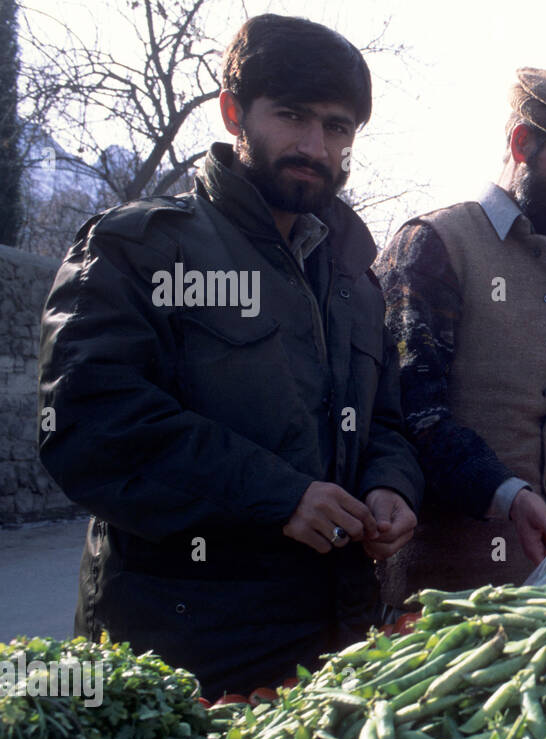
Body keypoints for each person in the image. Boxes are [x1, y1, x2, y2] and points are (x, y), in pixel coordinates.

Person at [37, 14, 423, 698]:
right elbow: (90, 426)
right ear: (233, 112)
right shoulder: (138, 249)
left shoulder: (354, 279)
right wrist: (280, 497)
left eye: (337, 128)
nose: (314, 145)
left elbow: (386, 421)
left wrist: (391, 487)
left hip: (333, 648)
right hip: (184, 657)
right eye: (293, 116)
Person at [374, 68, 546, 603]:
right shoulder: (433, 245)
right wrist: (508, 495)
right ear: (522, 143)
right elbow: (409, 413)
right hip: (447, 585)